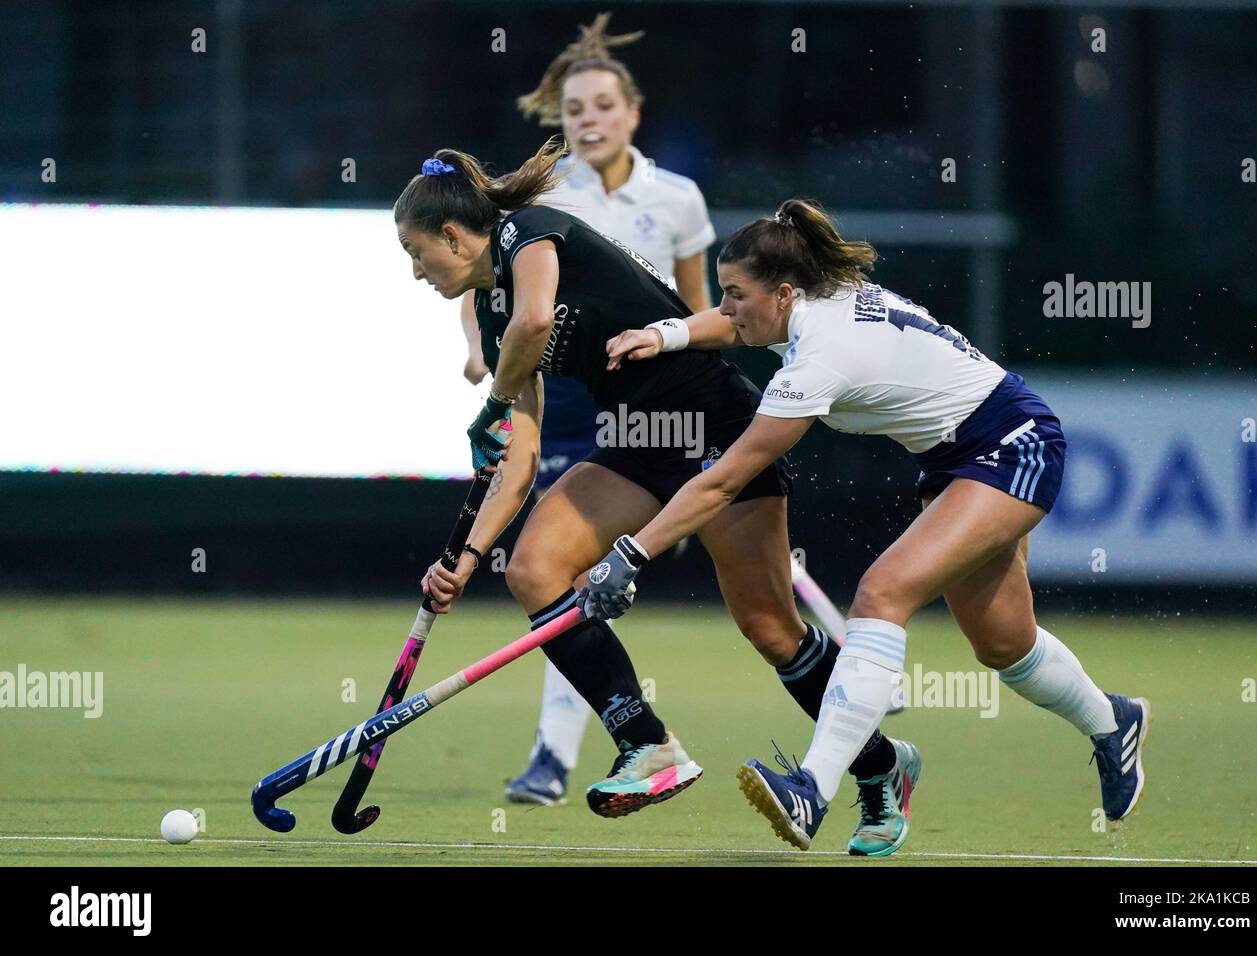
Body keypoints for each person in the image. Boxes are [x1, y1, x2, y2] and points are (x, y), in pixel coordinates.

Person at [582, 199, 1151, 854]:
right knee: (1002, 643)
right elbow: (739, 325)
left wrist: (630, 553)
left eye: (735, 293)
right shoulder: (820, 297)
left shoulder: (820, 355)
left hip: (1014, 443)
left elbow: (723, 480)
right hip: (955, 458)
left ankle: (811, 790)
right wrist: (670, 334)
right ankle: (1114, 722)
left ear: (785, 292)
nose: (725, 308)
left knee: (882, 594)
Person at [397, 144, 906, 825]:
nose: (415, 271)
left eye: (415, 250)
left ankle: (881, 767)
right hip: (639, 441)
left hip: (712, 424)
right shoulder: (494, 320)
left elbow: (538, 318)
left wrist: (492, 402)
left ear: (455, 235)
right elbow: (520, 459)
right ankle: (647, 743)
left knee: (768, 625)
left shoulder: (530, 230)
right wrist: (464, 556)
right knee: (534, 568)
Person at [455, 15, 719, 806]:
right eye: (574, 110)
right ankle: (555, 754)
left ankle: (854, 716)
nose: (589, 120)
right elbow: (487, 286)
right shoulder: (546, 196)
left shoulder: (677, 197)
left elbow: (697, 307)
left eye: (603, 105)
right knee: (550, 566)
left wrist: (706, 397)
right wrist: (483, 355)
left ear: (632, 113)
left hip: (660, 398)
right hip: (568, 398)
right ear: (559, 120)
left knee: (759, 596)